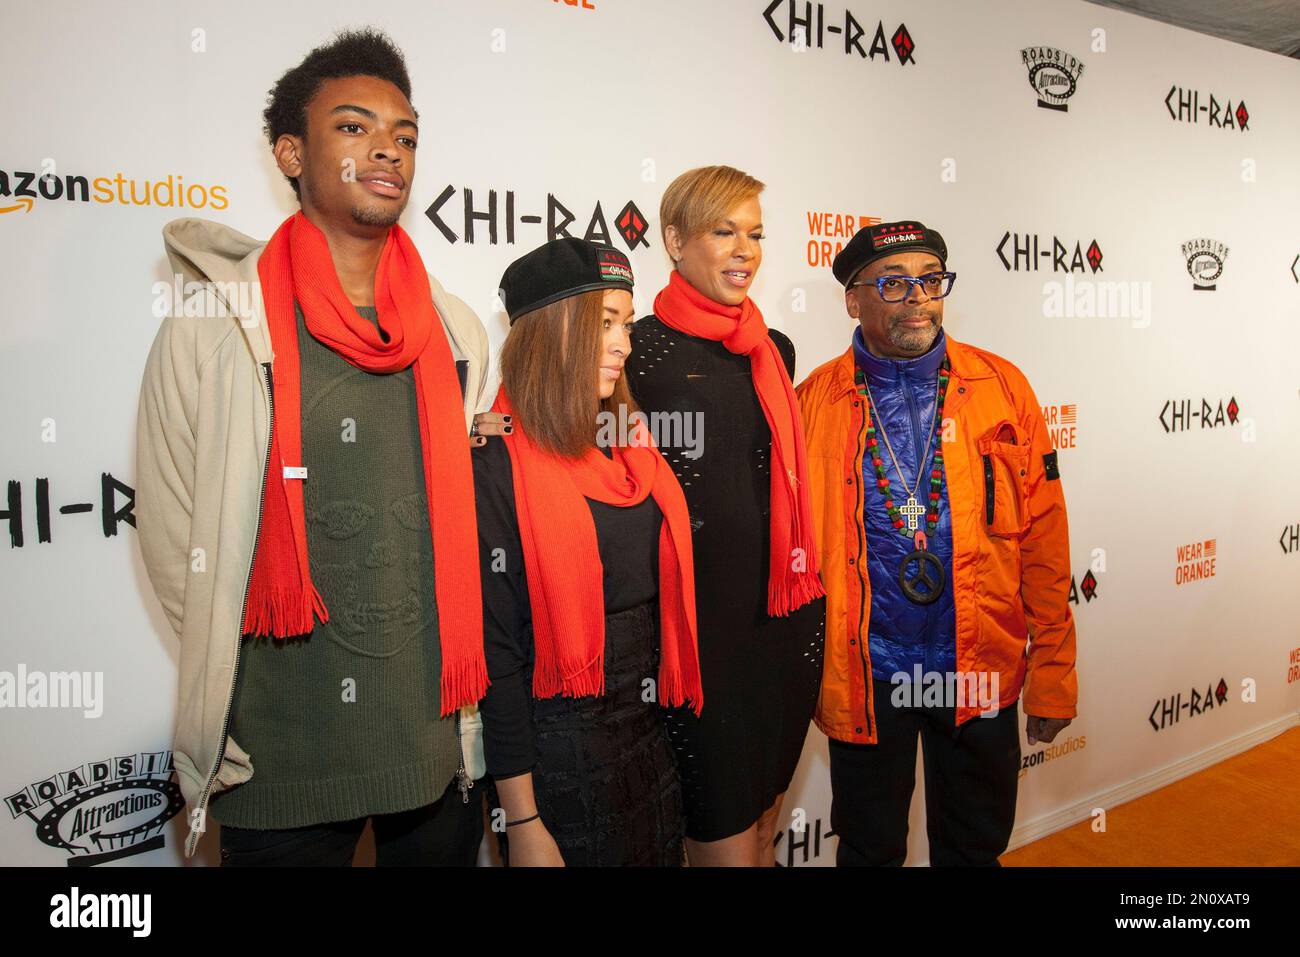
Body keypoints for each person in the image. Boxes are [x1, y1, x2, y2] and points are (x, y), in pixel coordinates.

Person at [135, 28, 497, 866]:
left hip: (435, 749)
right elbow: (173, 534)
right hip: (278, 759)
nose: (388, 150)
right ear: (291, 153)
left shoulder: (455, 331)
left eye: (405, 136)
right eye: (354, 127)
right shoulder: (218, 325)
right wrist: (238, 679)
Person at [795, 220, 1079, 866]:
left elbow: (1045, 543)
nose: (919, 298)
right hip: (869, 673)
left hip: (978, 665)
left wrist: (1054, 674)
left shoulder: (1003, 388)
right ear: (853, 299)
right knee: (869, 849)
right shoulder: (812, 403)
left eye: (931, 280)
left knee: (975, 845)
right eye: (894, 284)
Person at [473, 238, 702, 866]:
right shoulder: (497, 460)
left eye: (625, 323)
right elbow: (500, 655)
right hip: (557, 760)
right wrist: (521, 820)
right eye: (604, 323)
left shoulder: (630, 442)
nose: (624, 342)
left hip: (650, 741)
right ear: (551, 333)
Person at [625, 165, 827, 866]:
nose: (745, 250)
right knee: (722, 841)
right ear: (675, 240)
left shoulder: (776, 352)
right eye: (724, 231)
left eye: (755, 233)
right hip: (694, 636)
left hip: (781, 620)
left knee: (765, 825)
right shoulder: (635, 354)